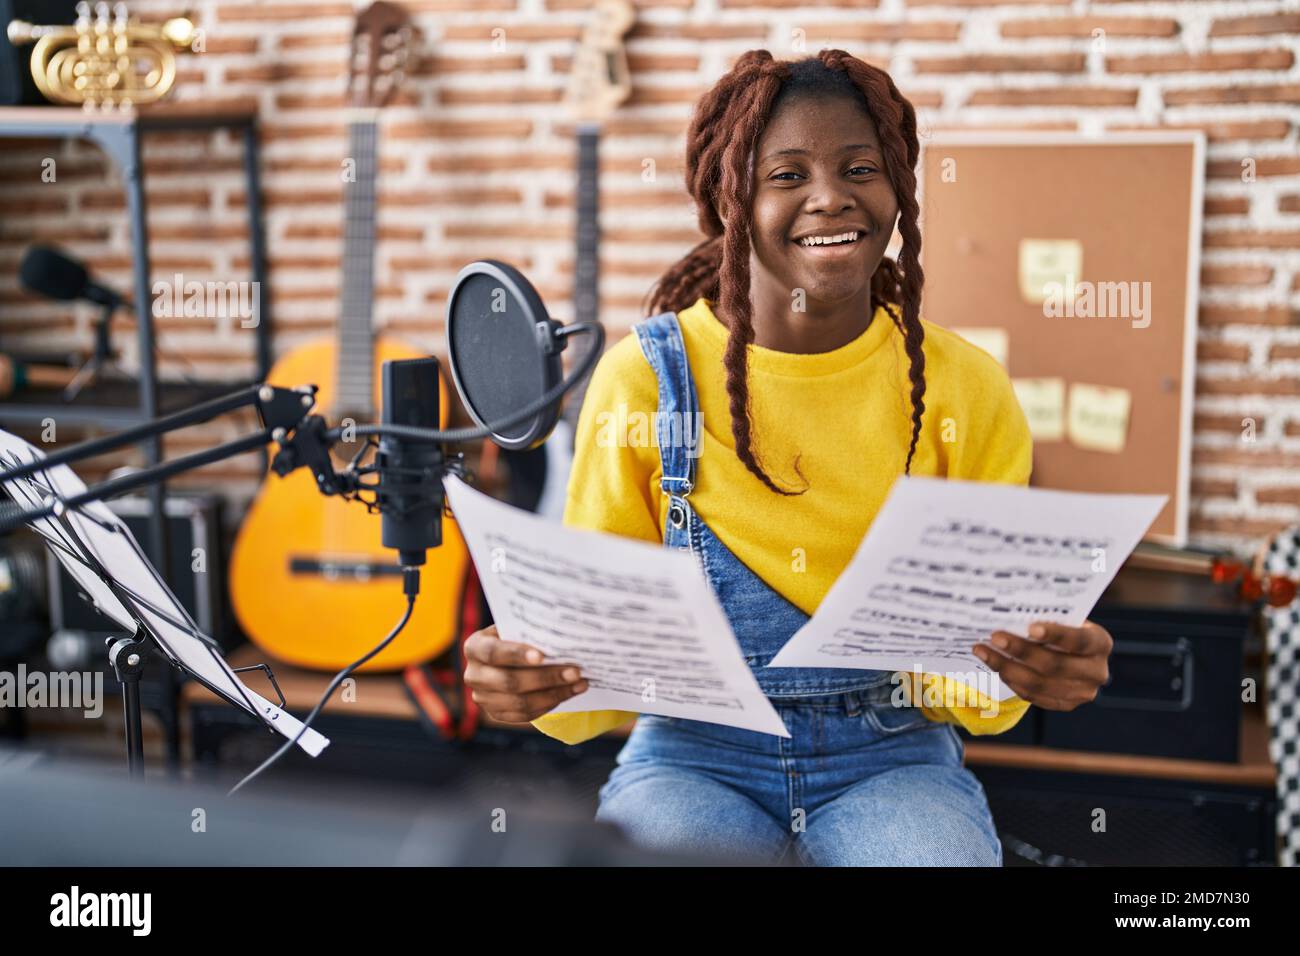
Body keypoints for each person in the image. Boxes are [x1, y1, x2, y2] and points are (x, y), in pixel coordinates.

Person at [463, 48, 1113, 865]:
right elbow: (596, 671)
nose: (831, 196)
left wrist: (1024, 669)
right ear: (728, 200)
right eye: (787, 175)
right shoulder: (643, 381)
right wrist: (532, 680)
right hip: (693, 757)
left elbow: (973, 680)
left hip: (894, 759)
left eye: (861, 168)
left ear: (899, 188)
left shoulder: (966, 387)